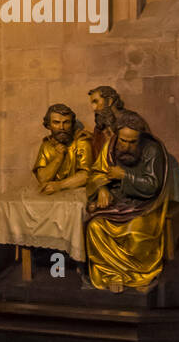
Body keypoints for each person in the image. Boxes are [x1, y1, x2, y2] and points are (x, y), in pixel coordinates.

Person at [84, 111, 168, 293]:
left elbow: (152, 186)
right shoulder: (110, 145)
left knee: (136, 233)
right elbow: (96, 172)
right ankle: (112, 274)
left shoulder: (152, 150)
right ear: (117, 135)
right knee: (95, 227)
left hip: (143, 206)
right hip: (116, 203)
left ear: (141, 138)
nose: (127, 146)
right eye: (123, 140)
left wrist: (125, 175)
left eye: (132, 142)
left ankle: (138, 274)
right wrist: (102, 189)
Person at [33, 103, 93, 192]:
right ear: (48, 125)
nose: (61, 127)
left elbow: (86, 175)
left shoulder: (81, 142)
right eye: (56, 123)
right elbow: (42, 178)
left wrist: (59, 185)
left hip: (76, 193)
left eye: (66, 122)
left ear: (72, 124)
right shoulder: (46, 146)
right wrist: (59, 157)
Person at [87, 85, 126, 159]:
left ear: (109, 101)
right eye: (92, 103)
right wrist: (91, 138)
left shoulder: (129, 121)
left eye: (96, 102)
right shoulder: (100, 125)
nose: (94, 108)